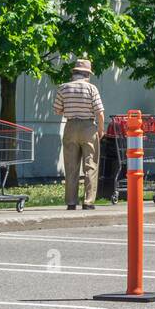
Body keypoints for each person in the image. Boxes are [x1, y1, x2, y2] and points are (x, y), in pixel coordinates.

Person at [53, 58, 105, 211]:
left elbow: (57, 110)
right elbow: (100, 112)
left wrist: (69, 110)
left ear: (74, 73)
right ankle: (88, 201)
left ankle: (71, 202)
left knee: (71, 166)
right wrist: (100, 130)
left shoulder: (63, 88)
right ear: (87, 74)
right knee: (90, 165)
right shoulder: (91, 89)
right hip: (88, 127)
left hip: (70, 126)